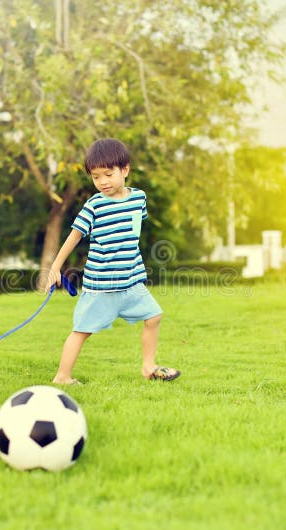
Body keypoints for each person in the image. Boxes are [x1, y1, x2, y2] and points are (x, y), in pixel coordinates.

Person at [46, 138, 181, 385]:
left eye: (108, 174)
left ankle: (149, 367)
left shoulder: (139, 198)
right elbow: (74, 236)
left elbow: (133, 232)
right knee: (81, 331)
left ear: (125, 170)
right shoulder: (94, 205)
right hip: (101, 286)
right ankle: (62, 377)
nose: (103, 182)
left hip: (132, 282)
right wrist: (55, 267)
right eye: (96, 177)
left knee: (154, 317)